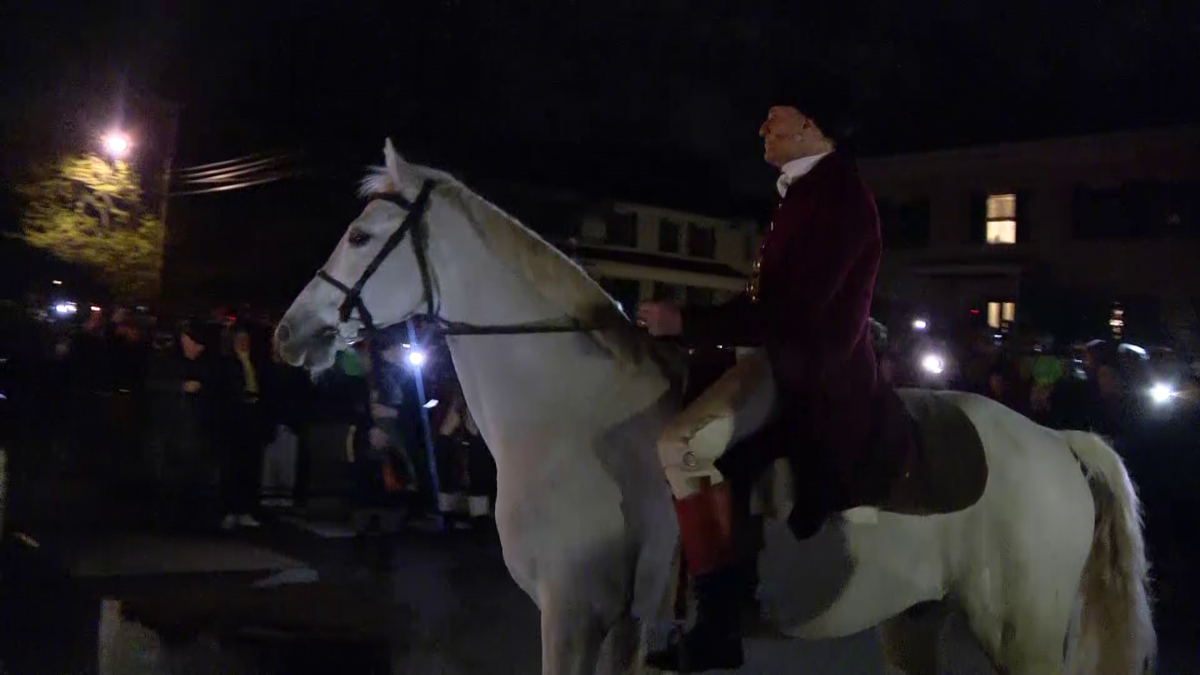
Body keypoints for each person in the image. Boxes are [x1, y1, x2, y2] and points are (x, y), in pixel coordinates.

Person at [638, 91, 891, 671]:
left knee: (680, 443)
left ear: (809, 124)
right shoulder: (805, 193)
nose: (762, 128)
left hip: (810, 369)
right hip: (779, 353)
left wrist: (687, 322)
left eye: (774, 118)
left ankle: (719, 620)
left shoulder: (838, 198)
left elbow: (790, 309)